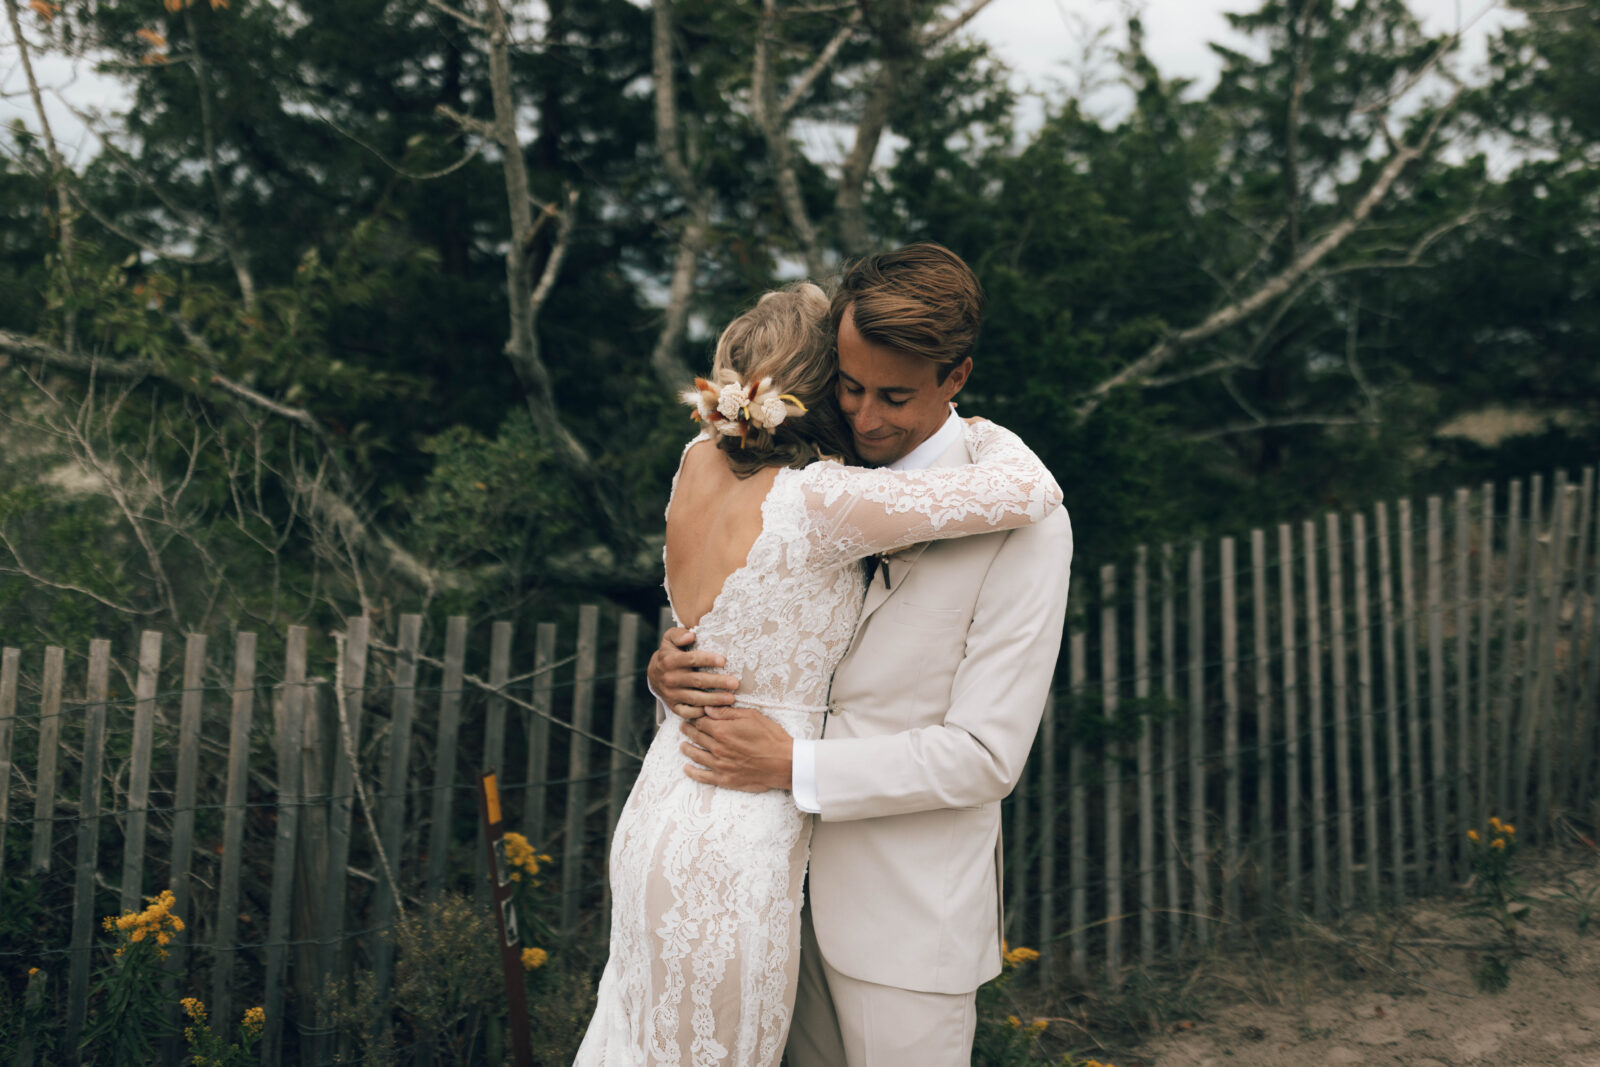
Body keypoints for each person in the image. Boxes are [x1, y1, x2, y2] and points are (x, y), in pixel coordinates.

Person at [575, 278, 1062, 1066]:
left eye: (894, 395)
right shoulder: (825, 498)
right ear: (821, 383)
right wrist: (674, 667)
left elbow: (985, 754)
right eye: (851, 386)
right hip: (750, 856)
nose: (867, 415)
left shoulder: (700, 458)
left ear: (956, 376)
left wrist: (779, 751)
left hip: (848, 895)